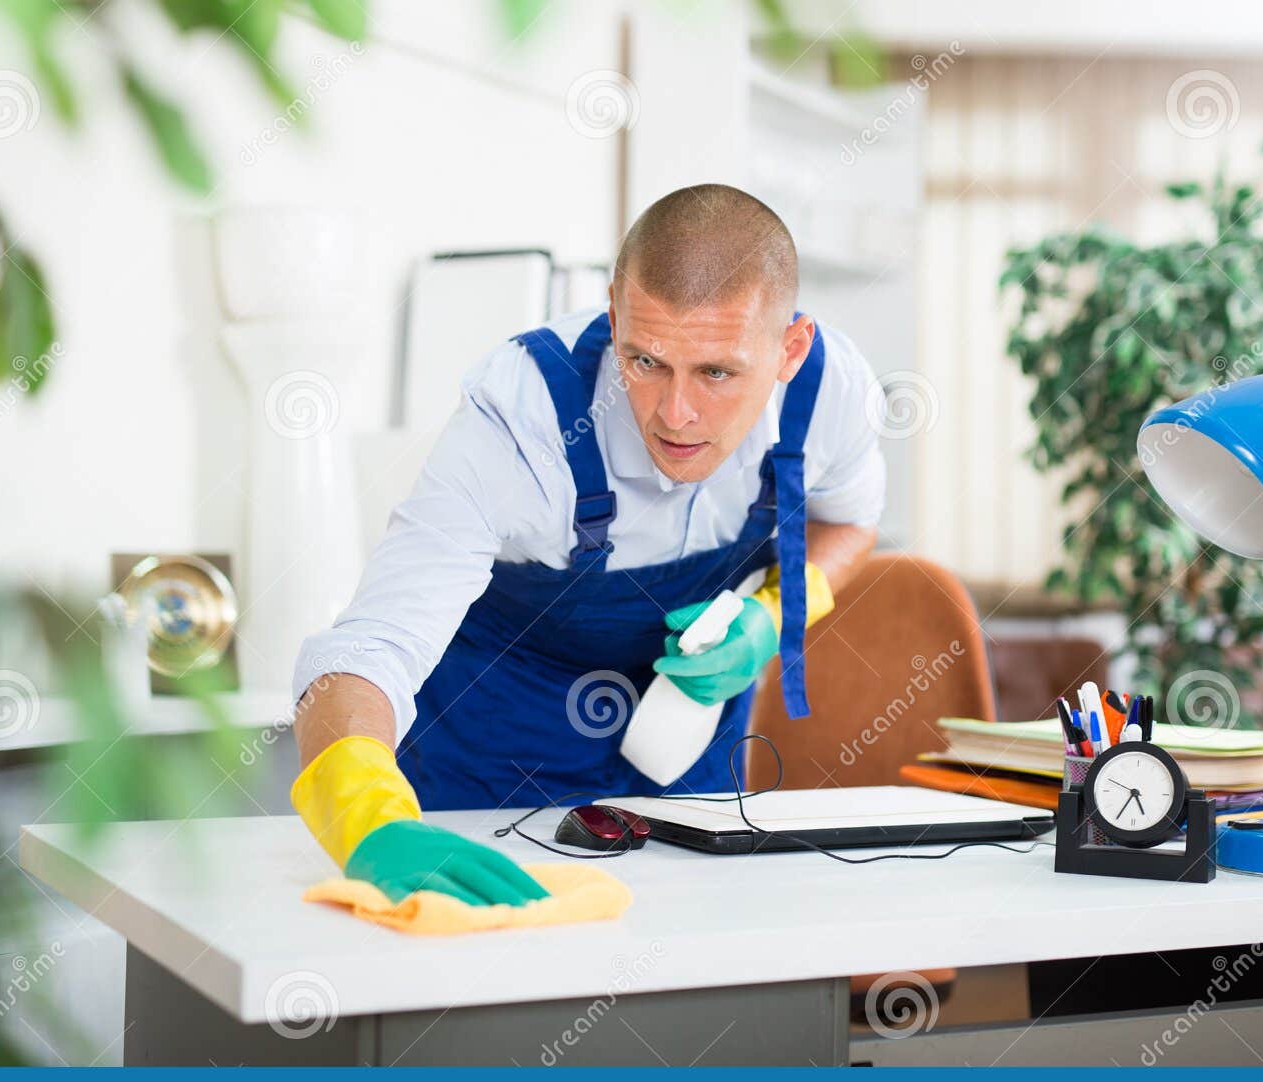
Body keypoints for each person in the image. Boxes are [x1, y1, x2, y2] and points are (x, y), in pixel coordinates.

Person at [290, 184, 885, 907]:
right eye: (644, 361)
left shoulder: (830, 393)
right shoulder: (522, 416)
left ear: (790, 349)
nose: (675, 413)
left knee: (689, 973)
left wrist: (772, 612)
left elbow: (848, 524)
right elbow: (363, 653)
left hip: (685, 772)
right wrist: (370, 823)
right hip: (485, 769)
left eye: (717, 372)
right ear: (614, 315)